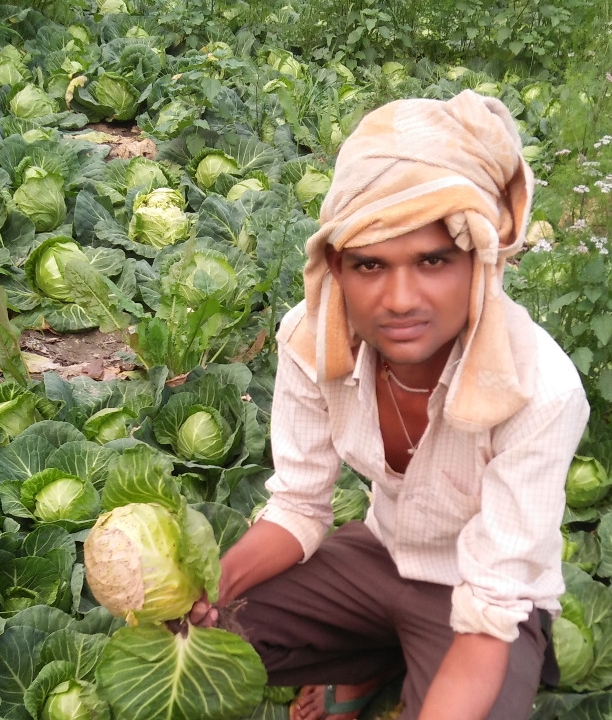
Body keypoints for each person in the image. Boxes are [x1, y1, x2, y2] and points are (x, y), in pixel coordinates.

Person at [191, 90, 589, 720]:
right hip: (376, 561)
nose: (400, 298)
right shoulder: (314, 340)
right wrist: (212, 588)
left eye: (433, 260)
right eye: (370, 265)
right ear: (338, 269)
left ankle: (380, 661)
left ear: (479, 263)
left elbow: (488, 617)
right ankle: (372, 658)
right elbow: (298, 506)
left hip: (480, 600)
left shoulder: (541, 389)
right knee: (200, 637)